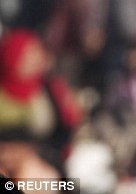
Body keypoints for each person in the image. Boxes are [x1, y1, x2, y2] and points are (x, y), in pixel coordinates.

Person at [0, 30, 82, 179]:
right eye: (26, 55)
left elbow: (63, 134)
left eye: (36, 53)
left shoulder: (51, 90)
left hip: (41, 161)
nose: (34, 60)